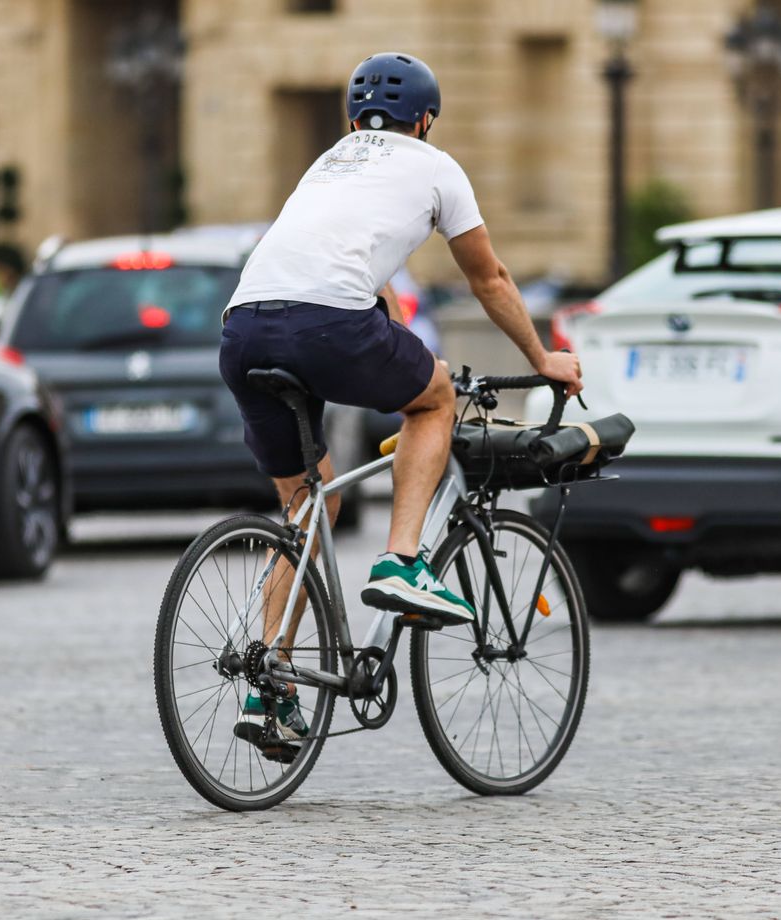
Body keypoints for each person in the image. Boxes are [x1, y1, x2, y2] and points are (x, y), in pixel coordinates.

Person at [220, 52, 582, 758]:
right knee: (434, 399)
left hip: (242, 328)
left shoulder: (327, 163)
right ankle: (402, 561)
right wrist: (542, 361)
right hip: (326, 323)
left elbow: (354, 269)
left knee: (307, 507)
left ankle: (271, 687)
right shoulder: (434, 166)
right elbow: (490, 276)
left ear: (353, 120)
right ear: (425, 120)